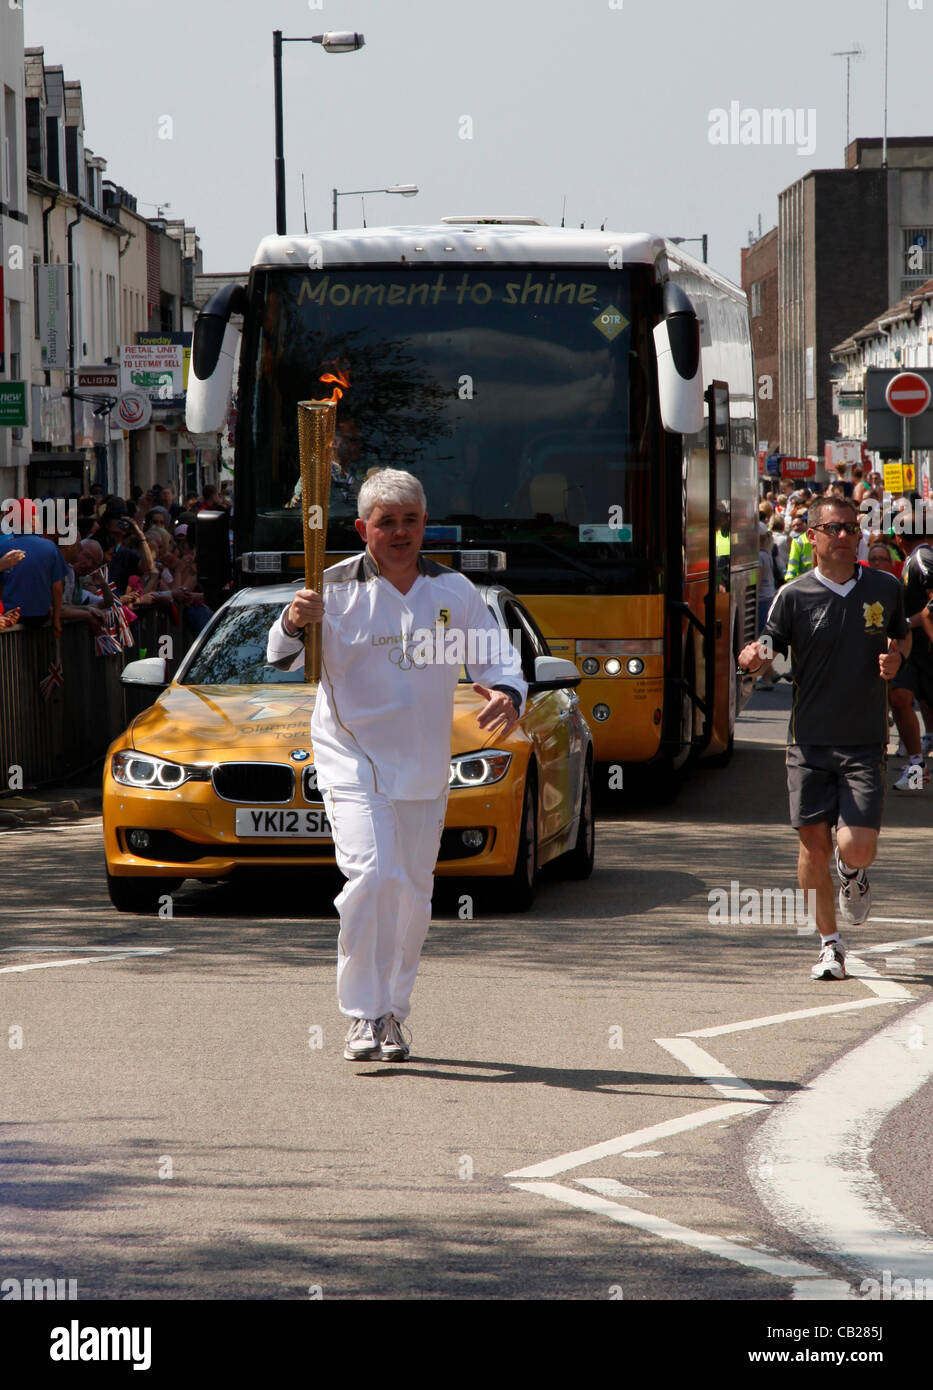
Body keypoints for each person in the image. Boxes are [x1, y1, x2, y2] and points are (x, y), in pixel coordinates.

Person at [266, 468, 527, 1063]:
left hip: (423, 765)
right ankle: (361, 1013)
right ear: (363, 529)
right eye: (388, 522)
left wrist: (508, 693)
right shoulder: (328, 588)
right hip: (350, 759)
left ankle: (391, 1013)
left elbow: (497, 661)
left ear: (424, 524)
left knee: (411, 893)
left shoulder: (454, 592)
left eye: (411, 520)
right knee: (373, 877)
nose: (401, 531)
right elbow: (280, 658)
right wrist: (292, 621)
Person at [738, 495, 910, 982]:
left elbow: (902, 639)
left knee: (856, 846)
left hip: (863, 740)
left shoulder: (884, 587)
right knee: (812, 844)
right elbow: (769, 646)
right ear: (811, 537)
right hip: (808, 741)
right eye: (833, 529)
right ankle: (829, 945)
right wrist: (753, 658)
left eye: (851, 528)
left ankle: (853, 873)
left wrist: (896, 661)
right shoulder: (793, 595)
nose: (844, 536)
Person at [889, 519, 933, 792]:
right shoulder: (914, 559)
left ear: (899, 539)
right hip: (913, 650)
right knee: (899, 697)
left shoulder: (922, 557)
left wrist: (909, 623)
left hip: (923, 648)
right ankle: (918, 764)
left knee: (900, 698)